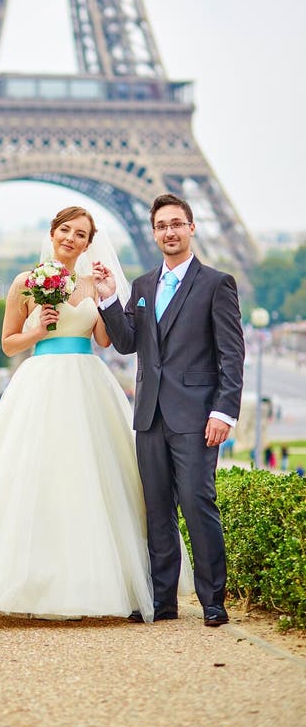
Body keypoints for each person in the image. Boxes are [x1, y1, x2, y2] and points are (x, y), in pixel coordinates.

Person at [0, 206, 191, 621]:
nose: (72, 239)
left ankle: (89, 585)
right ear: (52, 232)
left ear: (88, 242)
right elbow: (10, 343)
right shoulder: (25, 282)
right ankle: (34, 585)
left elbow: (102, 339)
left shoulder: (89, 284)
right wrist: (35, 330)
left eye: (81, 234)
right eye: (66, 230)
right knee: (37, 477)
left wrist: (104, 296)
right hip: (42, 379)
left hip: (85, 379)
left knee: (86, 479)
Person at [94, 193, 245, 628]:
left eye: (177, 223)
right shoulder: (141, 287)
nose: (169, 232)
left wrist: (225, 412)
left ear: (192, 227)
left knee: (199, 505)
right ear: (154, 231)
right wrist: (107, 298)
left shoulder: (217, 284)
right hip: (150, 418)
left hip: (198, 417)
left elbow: (231, 356)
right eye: (162, 225)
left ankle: (213, 601)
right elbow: (125, 343)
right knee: (157, 509)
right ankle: (163, 602)